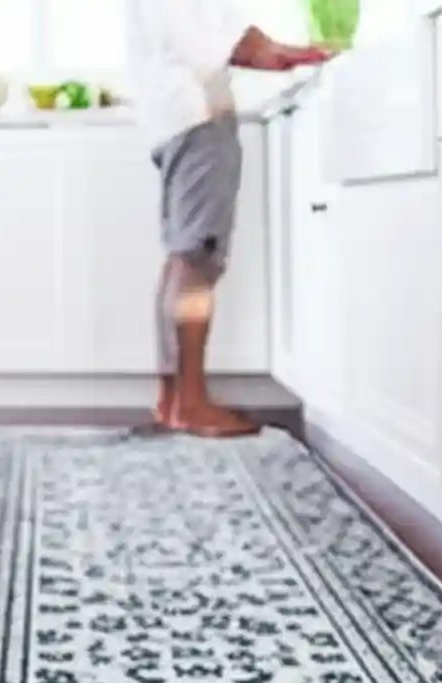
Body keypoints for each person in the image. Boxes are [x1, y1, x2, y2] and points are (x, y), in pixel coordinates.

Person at [126, 1, 335, 437]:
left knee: (182, 259)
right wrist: (287, 52)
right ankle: (191, 403)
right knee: (197, 263)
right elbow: (209, 41)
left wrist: (276, 50)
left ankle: (172, 399)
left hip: (172, 115)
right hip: (198, 114)